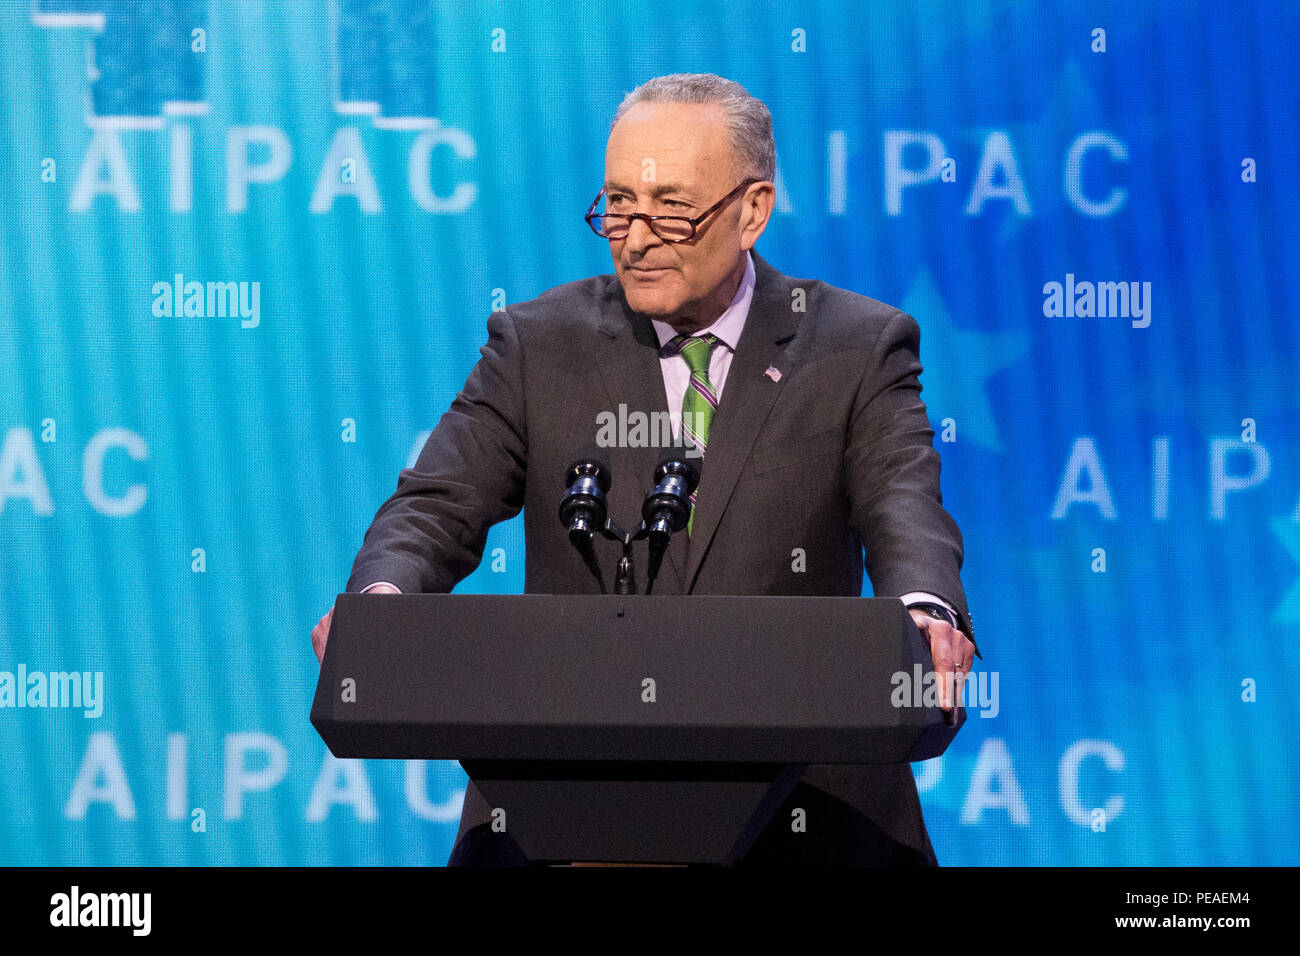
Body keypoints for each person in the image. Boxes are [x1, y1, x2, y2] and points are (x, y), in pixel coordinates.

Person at [312, 73, 978, 866]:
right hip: (561, 815)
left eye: (670, 209)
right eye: (618, 204)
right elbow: (435, 504)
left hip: (804, 814)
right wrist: (382, 601)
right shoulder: (538, 345)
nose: (634, 237)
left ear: (752, 212)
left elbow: (904, 505)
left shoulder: (854, 347)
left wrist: (927, 610)